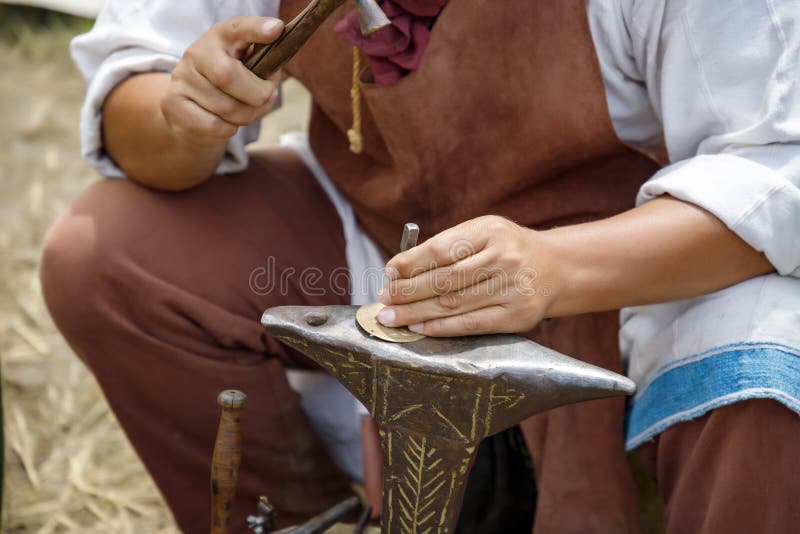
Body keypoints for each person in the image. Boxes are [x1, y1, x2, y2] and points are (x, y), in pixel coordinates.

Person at [41, 0, 799, 532]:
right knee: (107, 256)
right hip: (394, 247)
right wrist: (184, 116)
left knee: (769, 367)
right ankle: (312, 520)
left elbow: (779, 169)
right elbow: (134, 75)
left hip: (642, 270)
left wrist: (558, 268)